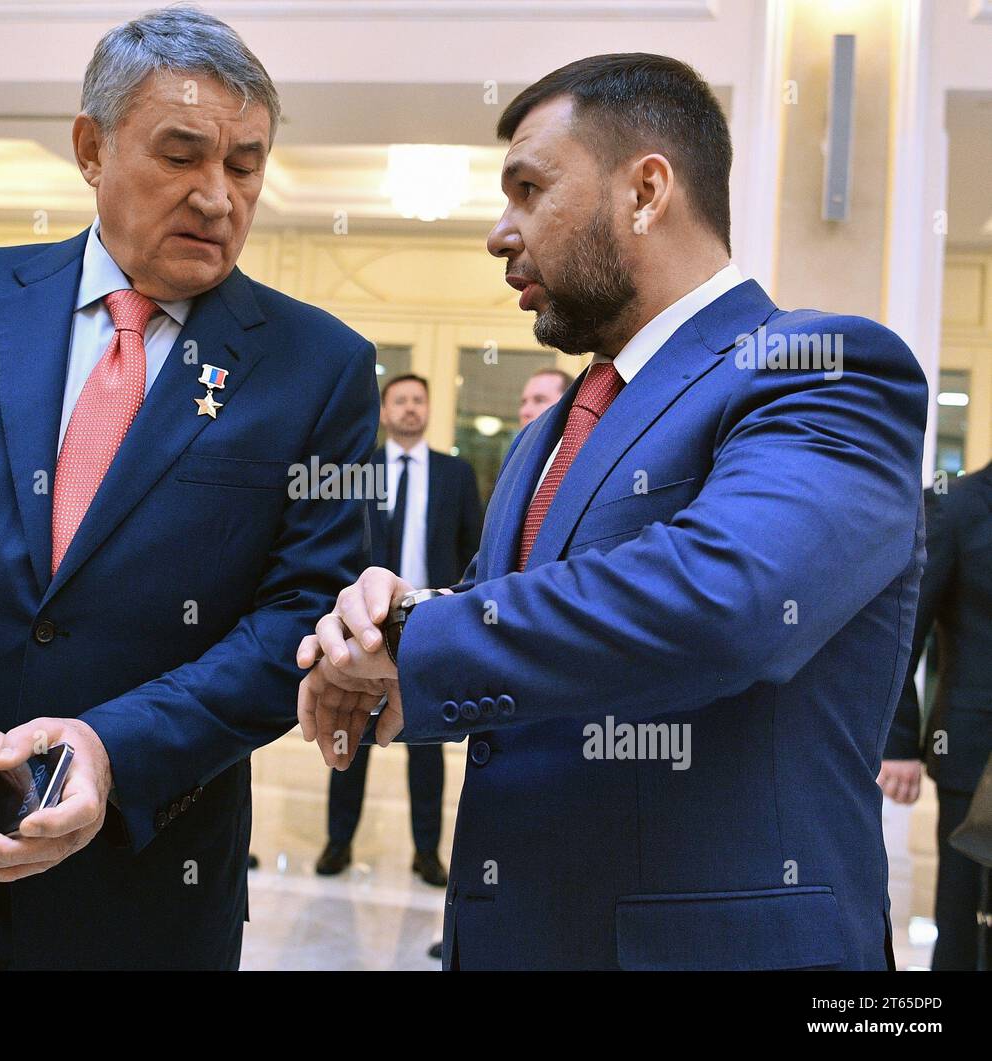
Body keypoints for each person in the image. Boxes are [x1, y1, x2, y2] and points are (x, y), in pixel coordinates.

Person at [0, 8, 377, 971]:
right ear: (92, 148)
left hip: (144, 894)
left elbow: (300, 614)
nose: (218, 197)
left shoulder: (322, 368)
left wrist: (111, 747)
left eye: (246, 164)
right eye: (181, 154)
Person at [296, 53, 927, 970]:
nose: (498, 233)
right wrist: (386, 639)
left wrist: (421, 634)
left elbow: (727, 597)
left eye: (528, 188)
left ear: (646, 189)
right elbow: (517, 622)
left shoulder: (820, 368)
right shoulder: (549, 429)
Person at [316, 374, 483, 886]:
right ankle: (338, 842)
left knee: (425, 744)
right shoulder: (360, 470)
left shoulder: (454, 472)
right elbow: (337, 543)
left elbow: (471, 546)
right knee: (351, 734)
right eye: (400, 401)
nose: (410, 409)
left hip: (429, 625)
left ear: (428, 410)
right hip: (363, 622)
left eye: (418, 401)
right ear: (385, 410)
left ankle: (427, 851)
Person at [879, 461, 992, 970]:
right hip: (974, 758)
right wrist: (900, 743)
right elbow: (906, 627)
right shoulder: (955, 505)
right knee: (966, 920)